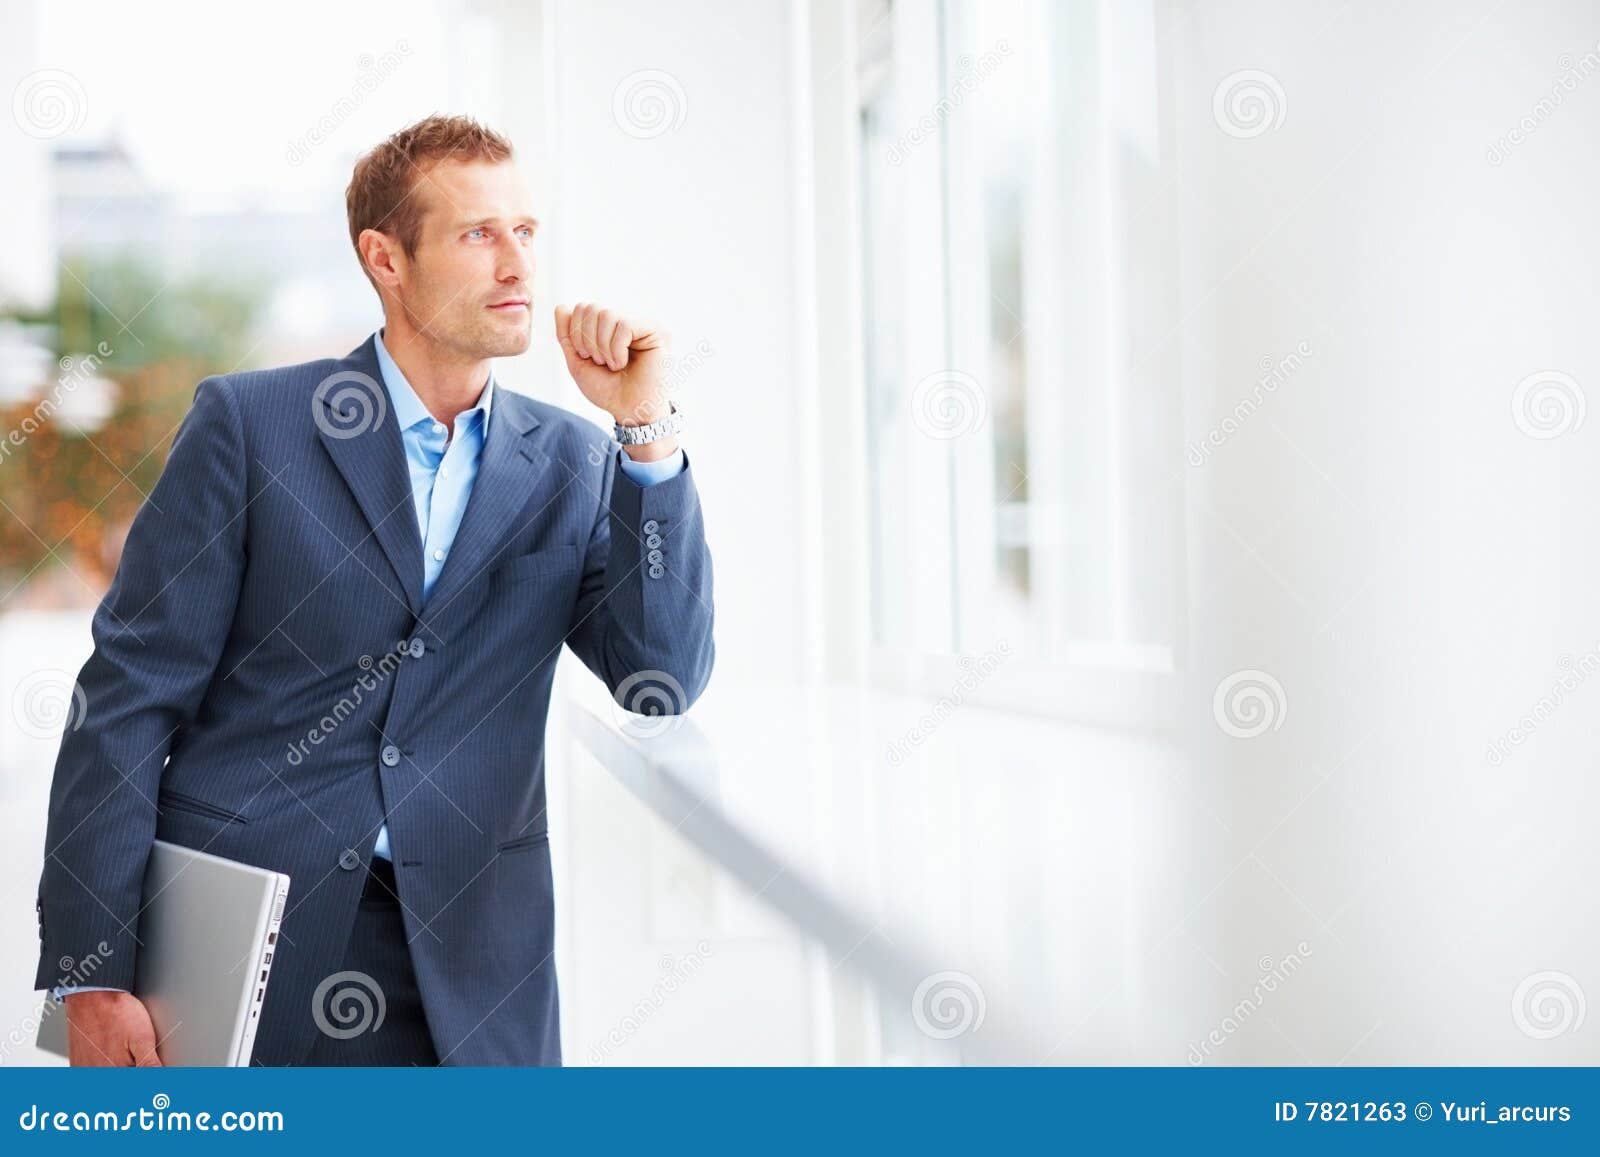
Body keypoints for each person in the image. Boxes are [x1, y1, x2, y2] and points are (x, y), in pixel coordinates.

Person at [33, 114, 715, 1066]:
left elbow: (663, 674)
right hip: (247, 951)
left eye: (525, 231)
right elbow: (127, 696)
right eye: (479, 234)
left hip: (477, 967)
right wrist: (92, 970)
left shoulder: (573, 461)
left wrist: (646, 431)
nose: (518, 264)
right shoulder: (251, 427)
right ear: (386, 258)